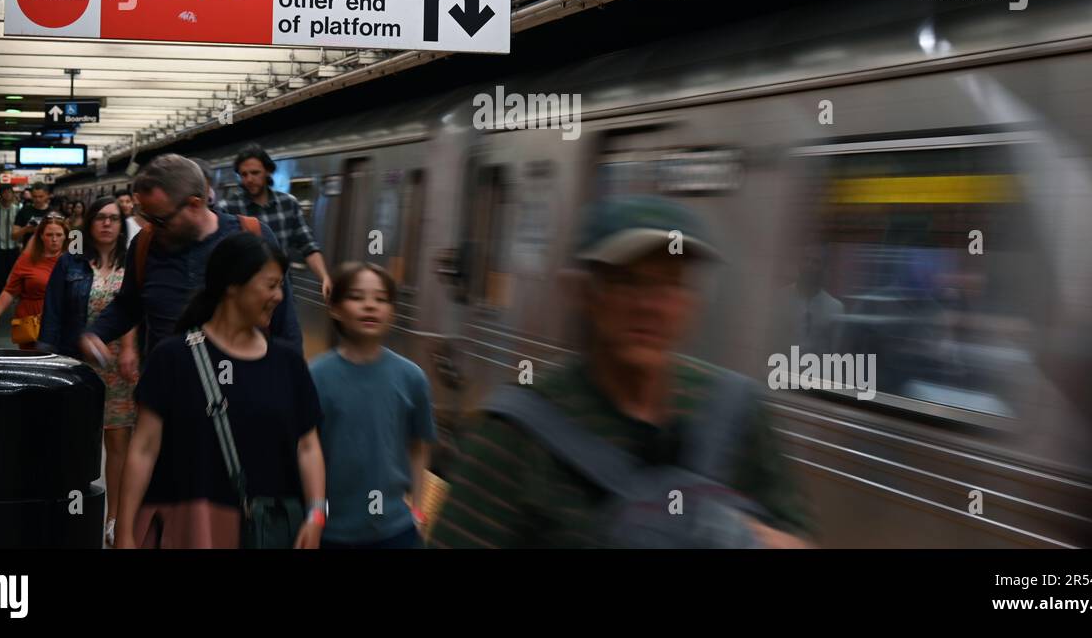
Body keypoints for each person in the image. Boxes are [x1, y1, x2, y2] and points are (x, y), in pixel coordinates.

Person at [428, 195, 812, 549]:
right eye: (628, 282)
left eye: (671, 284)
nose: (651, 306)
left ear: (692, 305)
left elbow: (794, 535)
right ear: (584, 293)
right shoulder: (512, 437)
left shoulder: (737, 412)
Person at [116, 231, 327, 548]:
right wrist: (124, 534)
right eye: (271, 285)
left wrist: (316, 515)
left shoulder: (288, 364)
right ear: (232, 285)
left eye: (280, 286)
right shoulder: (173, 358)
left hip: (267, 531)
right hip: (186, 529)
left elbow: (307, 446)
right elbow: (143, 449)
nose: (279, 296)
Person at [81, 154, 301, 370]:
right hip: (168, 388)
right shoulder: (145, 244)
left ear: (194, 204)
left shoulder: (253, 237)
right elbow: (129, 304)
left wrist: (292, 381)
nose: (153, 227)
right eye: (148, 218)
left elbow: (284, 320)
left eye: (161, 220)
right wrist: (96, 333)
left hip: (241, 385)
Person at [310, 262, 436, 549]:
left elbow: (419, 447)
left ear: (392, 312)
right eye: (356, 297)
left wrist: (417, 509)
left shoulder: (411, 377)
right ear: (335, 309)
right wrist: (314, 513)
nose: (370, 306)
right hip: (333, 531)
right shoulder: (317, 375)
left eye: (380, 299)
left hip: (397, 529)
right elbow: (307, 449)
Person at [38, 196, 137, 547]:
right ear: (90, 224)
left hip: (122, 367)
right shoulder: (70, 263)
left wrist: (130, 348)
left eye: (113, 218)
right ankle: (71, 509)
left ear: (121, 225)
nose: (107, 224)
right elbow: (52, 315)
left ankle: (114, 518)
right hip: (78, 365)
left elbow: (140, 309)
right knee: (77, 439)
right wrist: (47, 361)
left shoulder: (135, 263)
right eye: (101, 218)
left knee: (119, 441)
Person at [218, 145, 332, 299]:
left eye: (255, 173)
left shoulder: (288, 204)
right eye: (244, 174)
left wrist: (324, 277)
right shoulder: (228, 208)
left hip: (281, 293)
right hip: (245, 296)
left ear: (268, 171)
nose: (249, 179)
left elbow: (307, 244)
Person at [0, 212, 68, 348]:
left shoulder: (72, 262)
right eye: (49, 235)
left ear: (65, 236)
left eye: (58, 235)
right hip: (31, 322)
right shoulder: (27, 260)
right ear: (41, 236)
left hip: (60, 321)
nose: (54, 239)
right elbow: (10, 291)